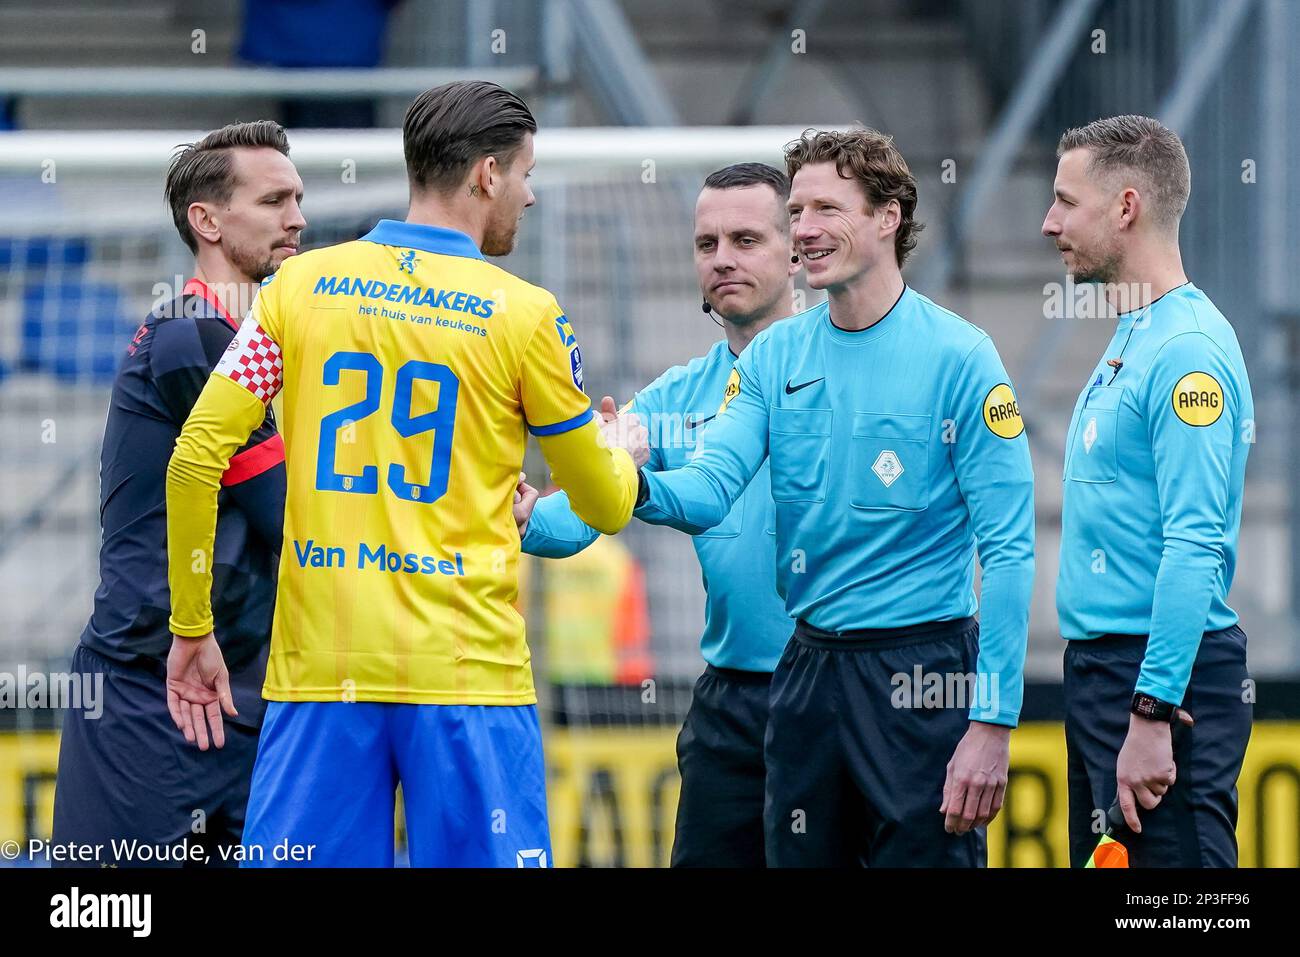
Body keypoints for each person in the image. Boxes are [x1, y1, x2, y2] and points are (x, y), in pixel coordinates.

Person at [163, 81, 647, 868]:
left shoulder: (298, 286)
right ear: (487, 174)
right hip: (467, 680)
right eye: (525, 173)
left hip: (320, 676)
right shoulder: (527, 316)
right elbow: (603, 504)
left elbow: (193, 460)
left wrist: (192, 627)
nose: (530, 195)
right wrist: (620, 450)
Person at [630, 129, 1035, 867]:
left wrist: (993, 718)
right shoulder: (776, 357)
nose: (806, 228)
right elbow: (709, 488)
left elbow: (1009, 548)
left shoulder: (962, 356)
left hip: (923, 673)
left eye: (827, 208)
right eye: (798, 209)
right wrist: (626, 480)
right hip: (808, 675)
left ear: (888, 217)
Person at [515, 163, 798, 866]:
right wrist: (523, 515)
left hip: (838, 690)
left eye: (745, 238)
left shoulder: (849, 362)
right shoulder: (676, 395)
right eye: (707, 243)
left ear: (796, 249)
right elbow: (582, 519)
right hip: (732, 701)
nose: (722, 257)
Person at [51, 121, 299, 866]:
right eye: (275, 200)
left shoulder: (245, 342)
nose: (298, 218)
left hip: (238, 688)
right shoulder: (192, 336)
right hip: (151, 695)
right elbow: (288, 514)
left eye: (298, 198)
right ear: (208, 220)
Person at [1043, 115, 1254, 867]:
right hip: (1109, 676)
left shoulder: (1185, 350)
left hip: (1160, 684)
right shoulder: (1135, 332)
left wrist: (1152, 708)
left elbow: (1195, 543)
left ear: (1126, 207)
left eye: (1067, 201)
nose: (1049, 222)